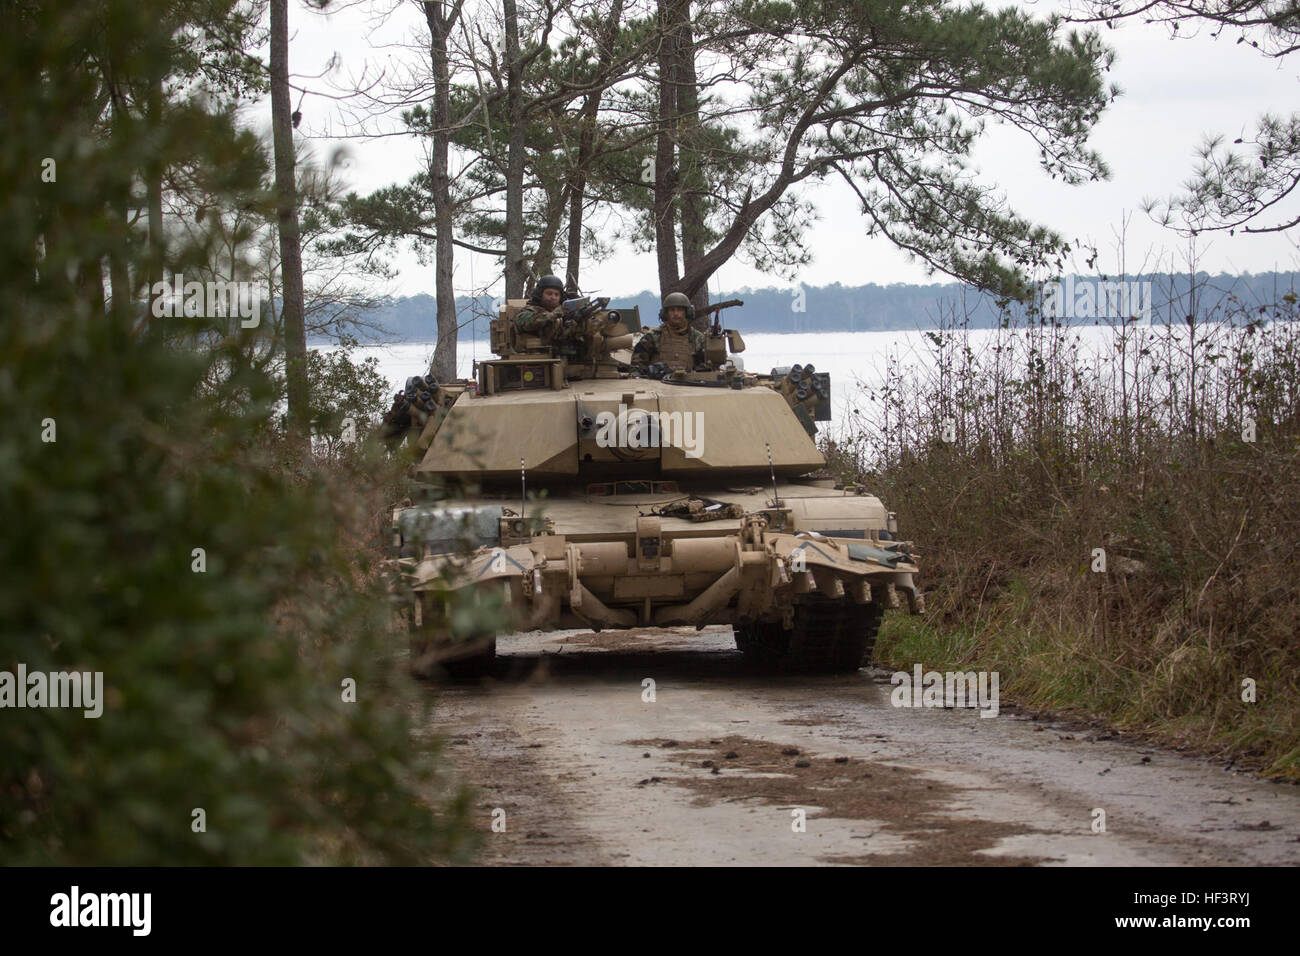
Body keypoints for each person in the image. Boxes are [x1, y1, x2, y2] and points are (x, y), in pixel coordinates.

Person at [632, 292, 709, 374]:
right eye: (672, 310)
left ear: (687, 312)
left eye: (679, 310)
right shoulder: (653, 336)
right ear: (665, 314)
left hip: (688, 384)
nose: (676, 314)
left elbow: (708, 369)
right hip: (656, 384)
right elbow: (636, 367)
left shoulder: (698, 338)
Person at [514, 274, 585, 360]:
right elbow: (528, 323)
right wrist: (553, 315)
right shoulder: (528, 311)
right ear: (540, 294)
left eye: (556, 294)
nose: (553, 297)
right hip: (536, 358)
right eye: (549, 293)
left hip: (568, 357)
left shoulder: (565, 313)